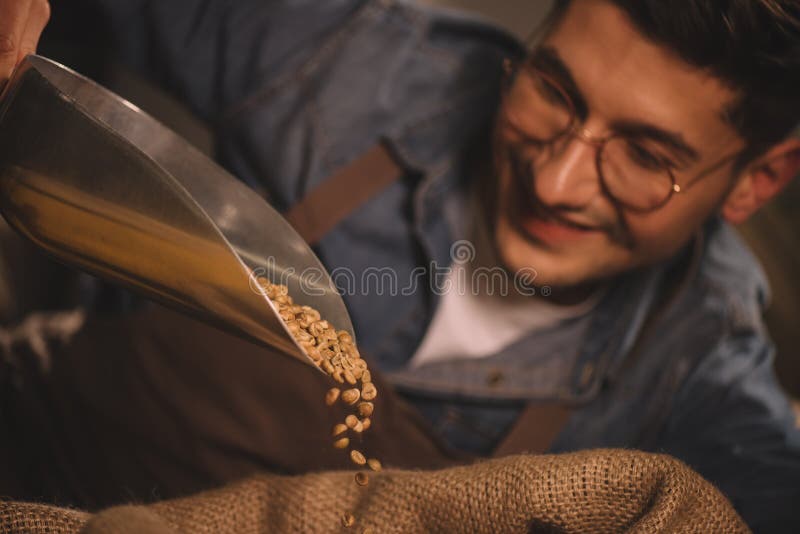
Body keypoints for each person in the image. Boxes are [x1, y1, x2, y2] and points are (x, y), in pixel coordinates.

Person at [1, 0, 799, 531]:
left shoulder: (702, 387)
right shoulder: (372, 68)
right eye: (553, 89)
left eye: (645, 155)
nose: (555, 181)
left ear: (756, 180)